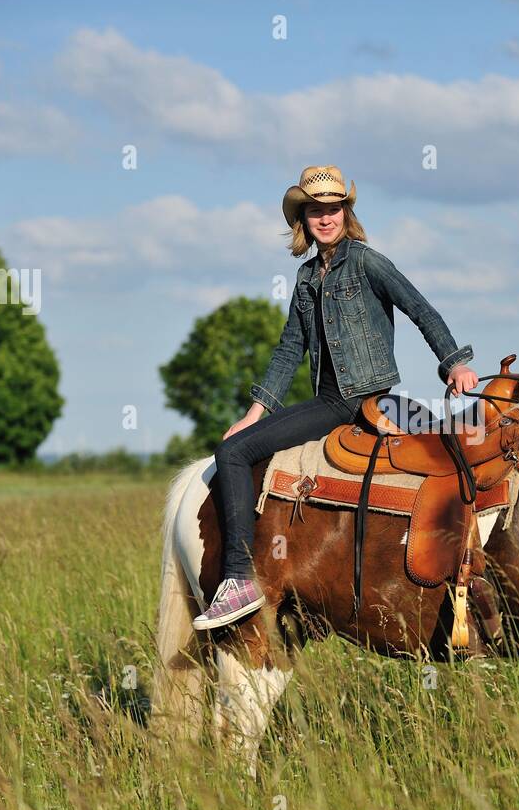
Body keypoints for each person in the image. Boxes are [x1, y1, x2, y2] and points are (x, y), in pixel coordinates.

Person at [194, 165, 479, 630]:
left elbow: (419, 307)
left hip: (374, 399)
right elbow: (289, 349)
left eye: (333, 209)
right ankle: (240, 578)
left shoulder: (368, 262)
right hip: (332, 403)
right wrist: (254, 413)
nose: (325, 218)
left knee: (458, 454)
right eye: (315, 211)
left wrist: (454, 363)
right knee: (233, 448)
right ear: (302, 219)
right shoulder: (306, 280)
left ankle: (467, 576)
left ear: (346, 212)